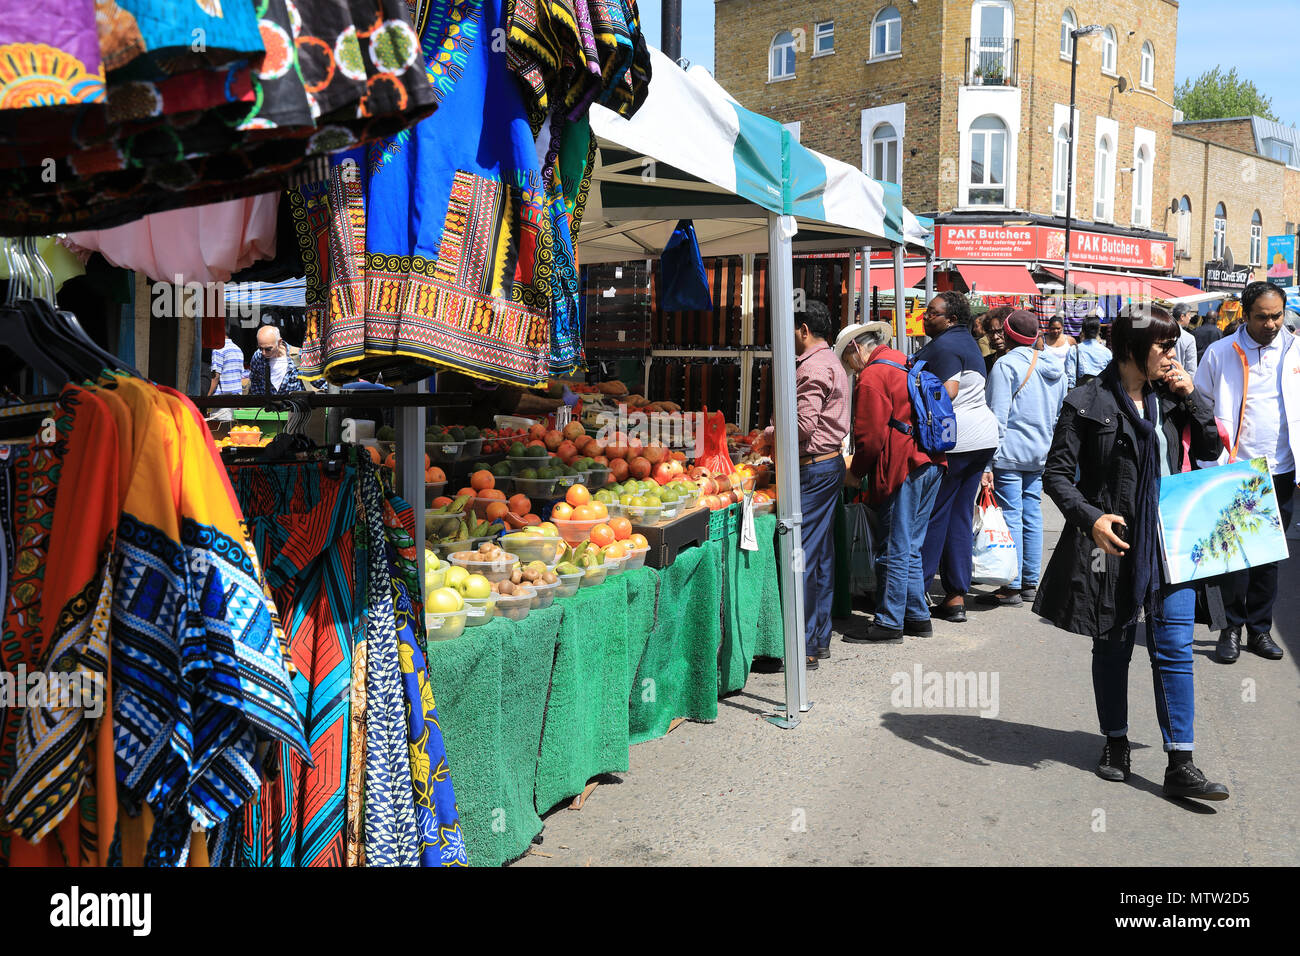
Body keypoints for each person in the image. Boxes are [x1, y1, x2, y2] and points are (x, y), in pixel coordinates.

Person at [1035, 305, 1229, 800]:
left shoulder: (1173, 397)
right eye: (1163, 346)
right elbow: (1056, 475)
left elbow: (1209, 452)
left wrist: (1196, 400)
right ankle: (1115, 742)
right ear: (1130, 351)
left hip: (1173, 540)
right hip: (1113, 541)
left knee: (1175, 651)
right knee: (1113, 644)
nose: (1172, 354)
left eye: (1173, 345)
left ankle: (1180, 762)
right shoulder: (1085, 401)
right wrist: (1090, 517)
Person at [1193, 281, 1296, 664]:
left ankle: (1260, 630)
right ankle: (1229, 629)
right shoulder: (1221, 352)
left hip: (1282, 468)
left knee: (1268, 556)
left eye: (1277, 316)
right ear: (1245, 314)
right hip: (1235, 467)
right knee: (1233, 557)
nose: (1271, 324)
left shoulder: (1296, 349)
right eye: (1262, 317)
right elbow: (1201, 403)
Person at [755, 300, 850, 669]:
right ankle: (817, 638)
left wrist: (767, 435)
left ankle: (802, 644)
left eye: (791, 330)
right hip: (827, 466)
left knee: (801, 555)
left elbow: (802, 427)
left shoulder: (812, 367)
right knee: (819, 554)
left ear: (804, 329)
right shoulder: (831, 361)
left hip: (812, 469)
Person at [838, 323, 946, 642]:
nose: (849, 367)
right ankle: (916, 616)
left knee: (895, 547)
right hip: (932, 461)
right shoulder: (902, 359)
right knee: (911, 544)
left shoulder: (873, 375)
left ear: (856, 347)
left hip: (904, 465)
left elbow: (869, 439)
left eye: (847, 358)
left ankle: (888, 621)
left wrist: (855, 473)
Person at [914, 292, 1000, 621]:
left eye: (932, 313)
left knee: (935, 515)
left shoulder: (946, 346)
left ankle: (916, 594)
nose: (924, 316)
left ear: (950, 318)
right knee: (959, 514)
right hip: (981, 439)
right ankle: (955, 596)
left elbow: (945, 393)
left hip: (957, 441)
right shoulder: (967, 342)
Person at [980, 310, 1069, 608]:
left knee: (1011, 515)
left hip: (1009, 452)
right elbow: (1058, 415)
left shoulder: (1005, 366)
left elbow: (997, 416)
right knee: (1032, 514)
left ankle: (1012, 583)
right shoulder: (1056, 366)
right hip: (1040, 452)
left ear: (1007, 334)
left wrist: (988, 462)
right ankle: (1030, 581)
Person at [249, 324, 304, 395]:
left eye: (268, 349)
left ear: (279, 342)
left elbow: (314, 382)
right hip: (268, 404)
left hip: (293, 404)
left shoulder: (298, 355)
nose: (263, 353)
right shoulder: (258, 356)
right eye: (260, 348)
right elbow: (255, 380)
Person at [207, 323, 246, 422]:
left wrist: (206, 398)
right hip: (236, 402)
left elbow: (215, 377)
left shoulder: (218, 349)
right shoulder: (237, 349)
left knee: (220, 434)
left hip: (222, 403)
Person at [1065, 316, 1111, 388]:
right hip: (1101, 394)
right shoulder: (1107, 352)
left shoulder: (1074, 350)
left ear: (1083, 331)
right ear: (1099, 330)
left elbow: (1070, 379)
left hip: (1080, 394)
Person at [981, 305, 1013, 374]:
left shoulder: (1019, 361)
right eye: (991, 332)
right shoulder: (986, 362)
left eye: (1000, 331)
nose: (995, 337)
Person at [1171, 305, 1199, 376]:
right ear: (1182, 317)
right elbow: (1191, 367)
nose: (1190, 318)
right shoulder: (1189, 338)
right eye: (1189, 315)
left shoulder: (1161, 332)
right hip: (1179, 379)